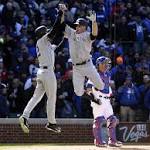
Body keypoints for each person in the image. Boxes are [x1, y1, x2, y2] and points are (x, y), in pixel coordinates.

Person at [19, 8, 65, 134]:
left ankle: (24, 116)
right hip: (48, 73)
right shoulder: (43, 40)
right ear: (43, 34)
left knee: (36, 97)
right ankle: (51, 122)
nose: (48, 33)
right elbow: (55, 29)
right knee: (51, 98)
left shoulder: (44, 44)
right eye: (46, 32)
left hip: (41, 72)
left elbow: (57, 43)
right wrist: (60, 13)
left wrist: (65, 36)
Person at [60, 4, 104, 97]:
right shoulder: (71, 33)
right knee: (78, 93)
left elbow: (94, 34)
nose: (77, 27)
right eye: (76, 25)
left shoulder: (87, 35)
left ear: (84, 27)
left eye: (79, 26)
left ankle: (89, 84)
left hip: (88, 65)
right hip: (76, 67)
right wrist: (62, 12)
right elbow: (62, 25)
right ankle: (88, 90)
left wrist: (94, 22)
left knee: (101, 86)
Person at [86, 56, 122, 147]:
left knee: (112, 120)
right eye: (103, 64)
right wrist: (93, 98)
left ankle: (112, 141)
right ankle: (98, 141)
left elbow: (107, 86)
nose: (105, 65)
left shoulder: (107, 74)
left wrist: (111, 95)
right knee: (98, 121)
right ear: (98, 65)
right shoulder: (95, 74)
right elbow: (88, 86)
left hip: (106, 100)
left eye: (107, 64)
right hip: (98, 99)